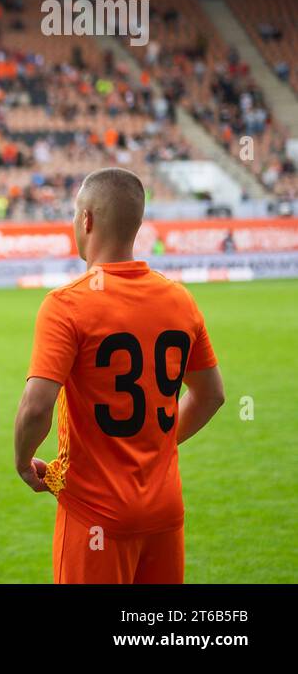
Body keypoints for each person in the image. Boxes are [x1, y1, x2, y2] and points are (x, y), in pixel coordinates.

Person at [14, 168, 225, 584]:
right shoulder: (179, 299)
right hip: (165, 511)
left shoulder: (66, 304)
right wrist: (161, 442)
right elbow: (211, 395)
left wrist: (23, 462)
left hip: (94, 513)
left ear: (87, 219)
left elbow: (35, 407)